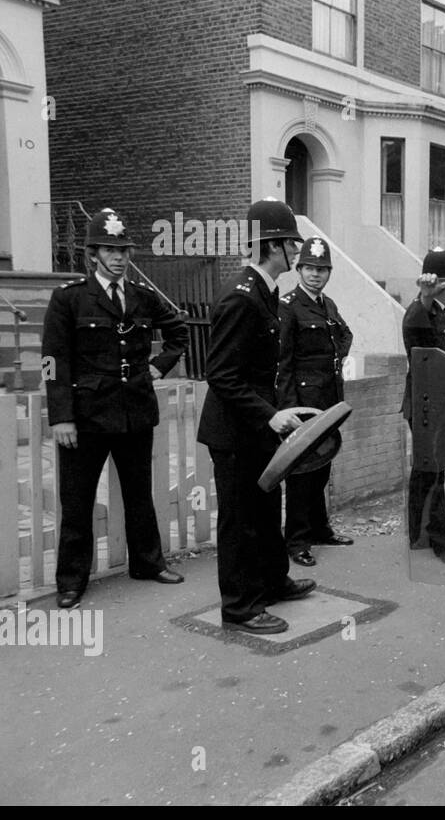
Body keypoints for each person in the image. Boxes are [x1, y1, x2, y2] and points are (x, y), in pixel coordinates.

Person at [41, 208, 189, 609]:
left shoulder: (141, 296)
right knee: (77, 502)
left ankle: (148, 563)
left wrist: (158, 367)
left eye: (123, 250)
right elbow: (53, 360)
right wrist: (61, 416)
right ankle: (71, 580)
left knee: (139, 494)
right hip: (86, 417)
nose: (119, 257)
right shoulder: (69, 298)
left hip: (134, 413)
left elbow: (178, 331)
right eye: (110, 250)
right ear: (93, 254)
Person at [197, 198, 316, 635]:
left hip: (256, 427)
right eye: (291, 244)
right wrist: (269, 416)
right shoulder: (241, 297)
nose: (297, 251)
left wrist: (275, 412)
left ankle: (272, 581)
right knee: (240, 520)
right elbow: (220, 375)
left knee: (266, 510)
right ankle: (240, 608)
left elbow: (261, 371)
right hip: (233, 433)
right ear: (273, 246)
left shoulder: (265, 292)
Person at [276, 236, 355, 568]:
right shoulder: (288, 306)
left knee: (322, 468)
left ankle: (320, 529)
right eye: (309, 268)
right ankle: (296, 541)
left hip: (328, 401)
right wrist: (288, 408)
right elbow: (283, 364)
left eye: (321, 269)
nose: (315, 275)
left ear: (329, 273)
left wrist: (334, 358)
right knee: (301, 475)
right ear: (299, 269)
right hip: (304, 404)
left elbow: (345, 335)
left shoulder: (328, 304)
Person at [401, 247, 445, 565]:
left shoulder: (443, 313)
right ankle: (443, 541)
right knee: (434, 473)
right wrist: (424, 297)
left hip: (437, 404)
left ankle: (418, 533)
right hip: (424, 406)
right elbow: (412, 331)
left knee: (425, 472)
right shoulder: (421, 310)